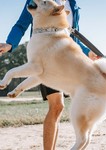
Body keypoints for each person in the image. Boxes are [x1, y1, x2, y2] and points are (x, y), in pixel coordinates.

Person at [0, 0, 98, 149]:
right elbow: (21, 25)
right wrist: (10, 43)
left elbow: (71, 35)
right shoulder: (39, 1)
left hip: (66, 61)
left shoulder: (72, 4)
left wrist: (87, 52)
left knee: (63, 107)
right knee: (56, 105)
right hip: (45, 57)